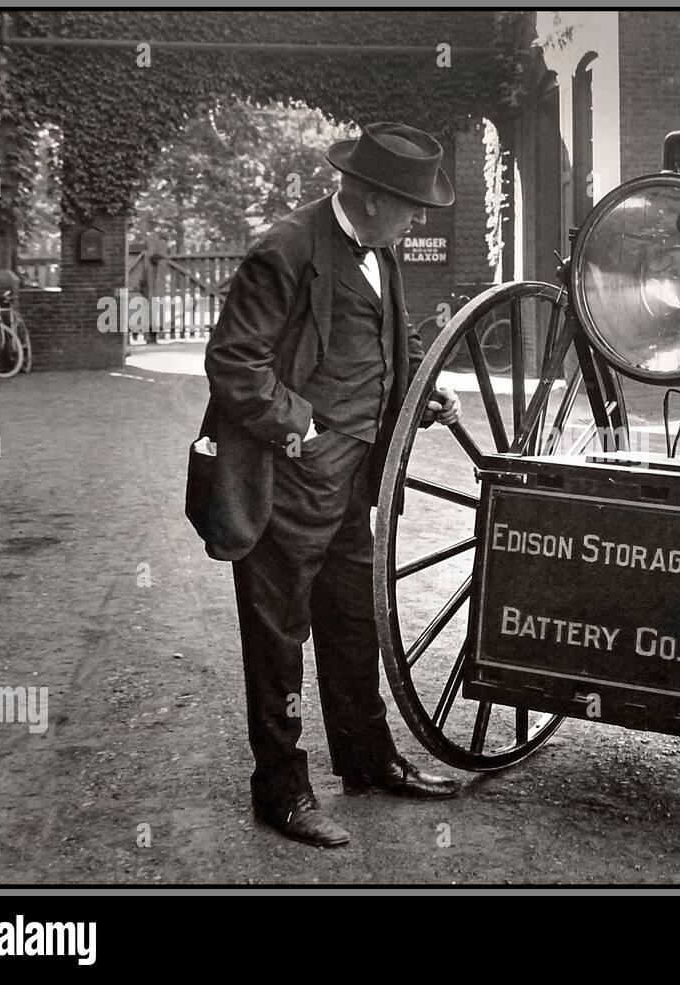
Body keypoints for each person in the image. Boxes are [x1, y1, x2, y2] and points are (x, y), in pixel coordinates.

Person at [186, 122, 463, 848]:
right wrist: (303, 431)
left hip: (351, 485)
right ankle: (280, 788)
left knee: (351, 619)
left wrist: (414, 397)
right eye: (410, 203)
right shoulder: (287, 248)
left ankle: (367, 759)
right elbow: (234, 363)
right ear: (370, 197)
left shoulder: (382, 252)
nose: (420, 217)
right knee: (278, 635)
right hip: (284, 482)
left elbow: (375, 344)